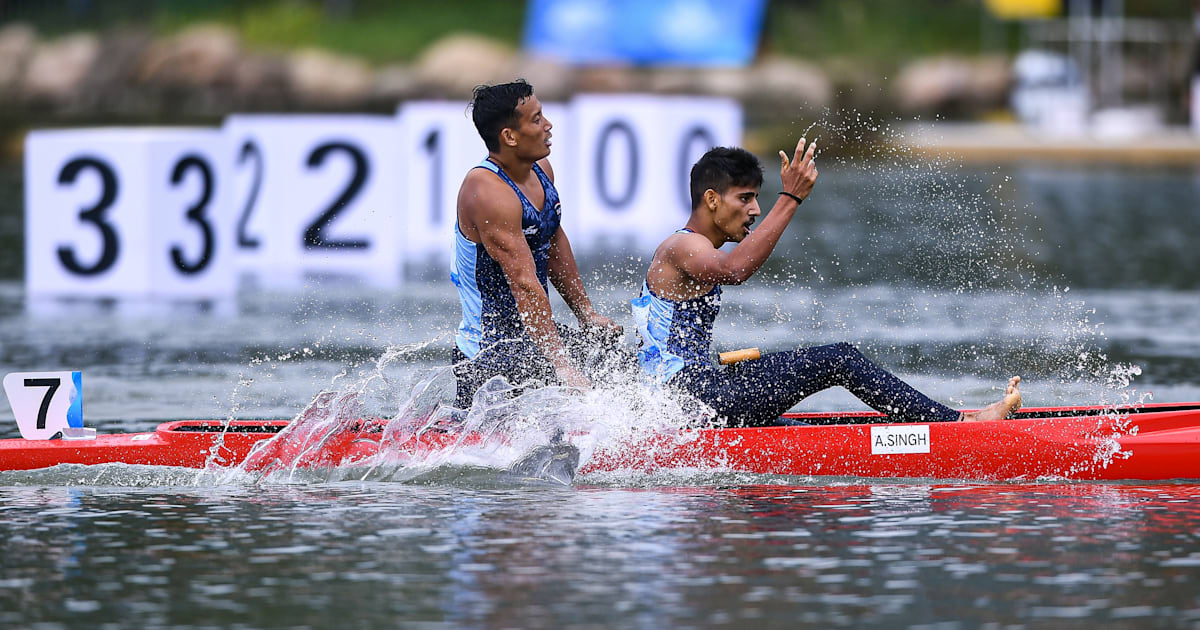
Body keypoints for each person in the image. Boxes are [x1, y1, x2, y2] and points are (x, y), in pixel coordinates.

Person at [630, 140, 1021, 426]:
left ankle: (932, 427)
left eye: (758, 198)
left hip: (694, 396)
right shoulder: (683, 246)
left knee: (797, 427)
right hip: (691, 400)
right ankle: (960, 428)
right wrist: (791, 198)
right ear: (712, 199)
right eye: (745, 198)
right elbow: (736, 270)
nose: (755, 210)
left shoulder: (692, 250)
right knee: (839, 359)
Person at [451, 80, 622, 408]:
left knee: (614, 362)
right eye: (536, 119)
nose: (548, 125)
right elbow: (524, 282)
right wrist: (561, 365)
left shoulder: (541, 170)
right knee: (579, 383)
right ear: (509, 137)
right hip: (488, 353)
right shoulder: (486, 191)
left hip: (533, 337)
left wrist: (586, 314)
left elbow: (554, 242)